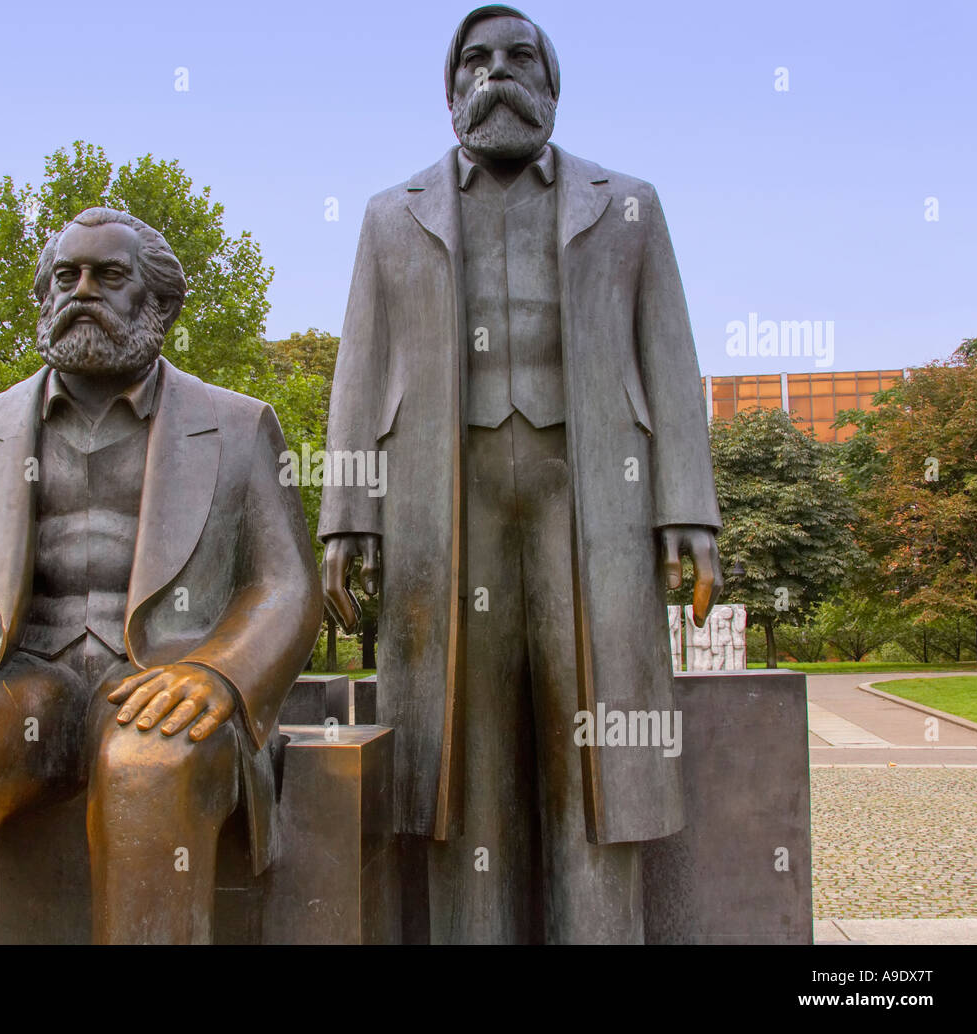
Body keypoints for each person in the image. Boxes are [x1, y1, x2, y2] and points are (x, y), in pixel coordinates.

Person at [319, 5, 722, 943]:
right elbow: (361, 365)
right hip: (443, 502)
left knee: (595, 750)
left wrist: (687, 507)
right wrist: (348, 513)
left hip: (592, 497)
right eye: (476, 61)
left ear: (551, 82)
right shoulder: (392, 216)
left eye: (518, 57)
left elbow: (670, 356)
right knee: (464, 756)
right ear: (452, 88)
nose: (496, 73)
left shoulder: (629, 205)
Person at [0, 208, 321, 943]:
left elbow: (285, 587)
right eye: (65, 277)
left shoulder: (240, 426)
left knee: (150, 763)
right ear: (44, 297)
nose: (83, 291)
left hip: (162, 675)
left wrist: (218, 673)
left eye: (110, 276)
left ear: (161, 302)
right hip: (22, 680)